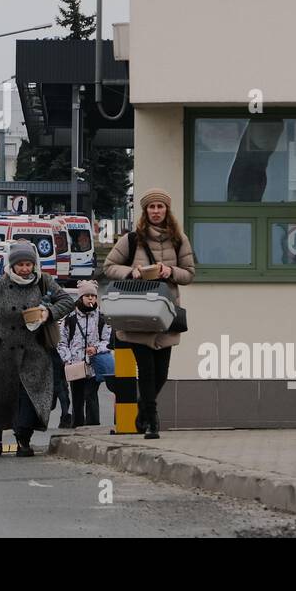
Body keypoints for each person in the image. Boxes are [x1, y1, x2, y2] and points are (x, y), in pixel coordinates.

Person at [103, 188, 195, 440]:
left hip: (166, 314)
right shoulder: (131, 239)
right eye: (151, 207)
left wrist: (170, 272)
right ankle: (152, 422)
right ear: (145, 212)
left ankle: (143, 410)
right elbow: (109, 267)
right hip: (138, 313)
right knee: (146, 369)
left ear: (167, 210)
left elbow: (189, 273)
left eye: (160, 207)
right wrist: (131, 272)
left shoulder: (179, 239)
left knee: (161, 373)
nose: (156, 211)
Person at [0, 240, 74, 457]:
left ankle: (23, 439)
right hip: (3, 349)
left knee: (31, 397)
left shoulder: (44, 281)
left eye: (29, 264)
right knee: (0, 397)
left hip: (34, 350)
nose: (25, 269)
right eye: (21, 265)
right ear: (13, 265)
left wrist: (49, 313)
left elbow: (67, 300)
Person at [56, 279, 111, 427]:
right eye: (87, 296)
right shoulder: (70, 319)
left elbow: (108, 340)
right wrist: (67, 359)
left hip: (94, 364)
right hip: (75, 365)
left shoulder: (102, 318)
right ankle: (77, 425)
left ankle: (93, 426)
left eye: (93, 296)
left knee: (91, 394)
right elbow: (61, 342)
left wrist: (97, 348)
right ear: (81, 298)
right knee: (77, 397)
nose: (91, 299)